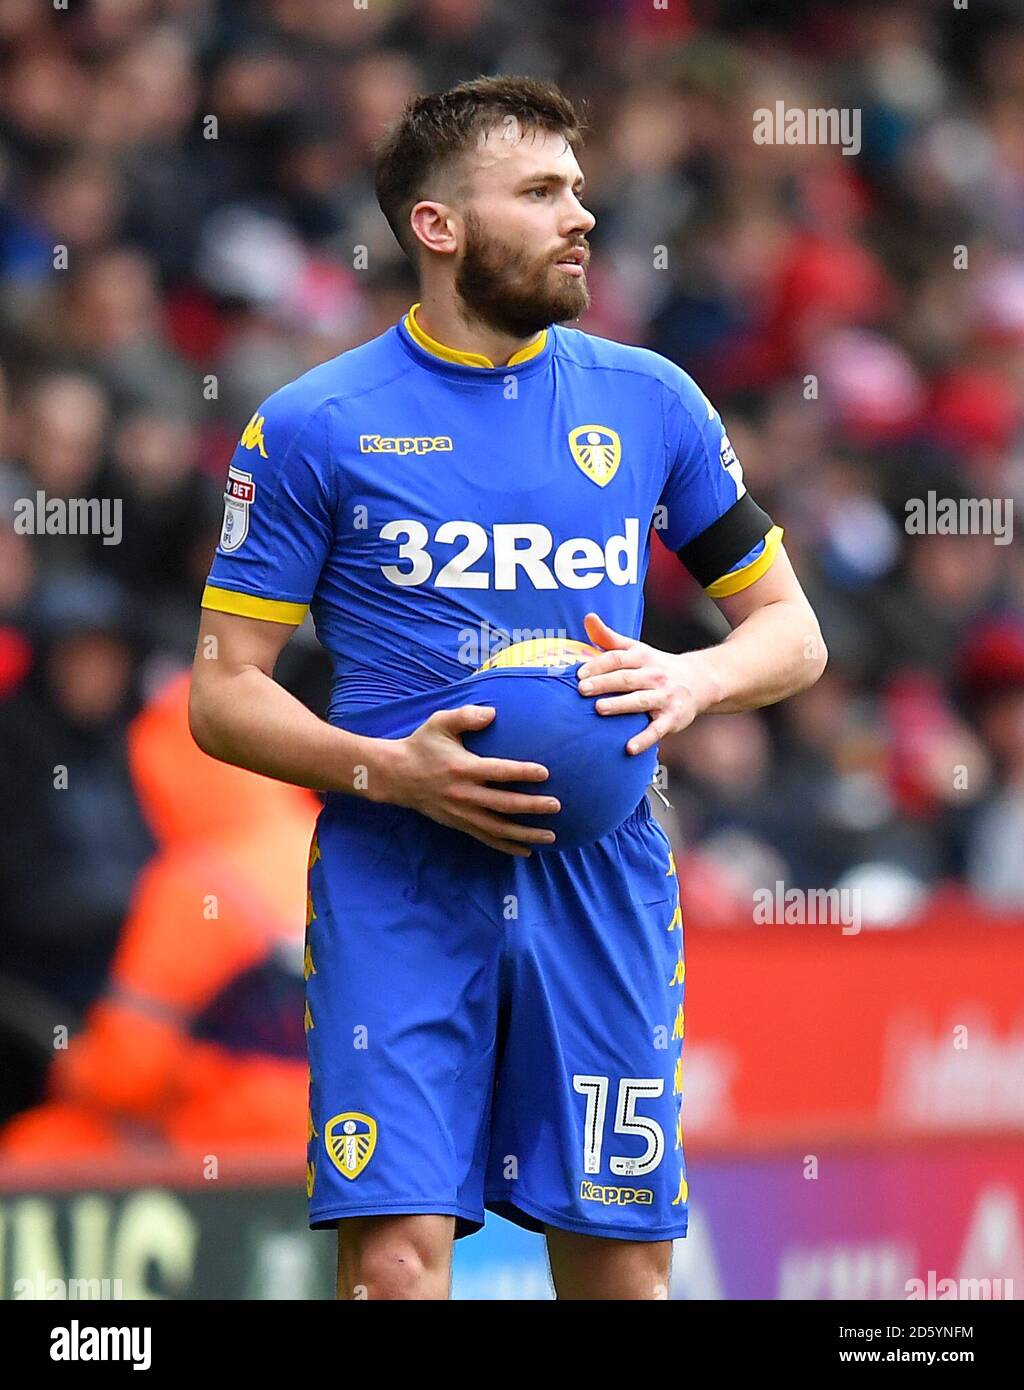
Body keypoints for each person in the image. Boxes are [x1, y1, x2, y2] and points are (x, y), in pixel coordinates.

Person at [188, 76, 827, 1301]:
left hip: (601, 875)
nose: (580, 214)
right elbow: (222, 695)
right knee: (393, 1266)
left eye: (577, 188)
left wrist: (691, 679)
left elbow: (791, 635)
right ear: (437, 226)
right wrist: (392, 769)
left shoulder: (650, 401)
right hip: (398, 876)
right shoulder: (314, 425)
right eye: (539, 192)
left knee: (624, 1271)